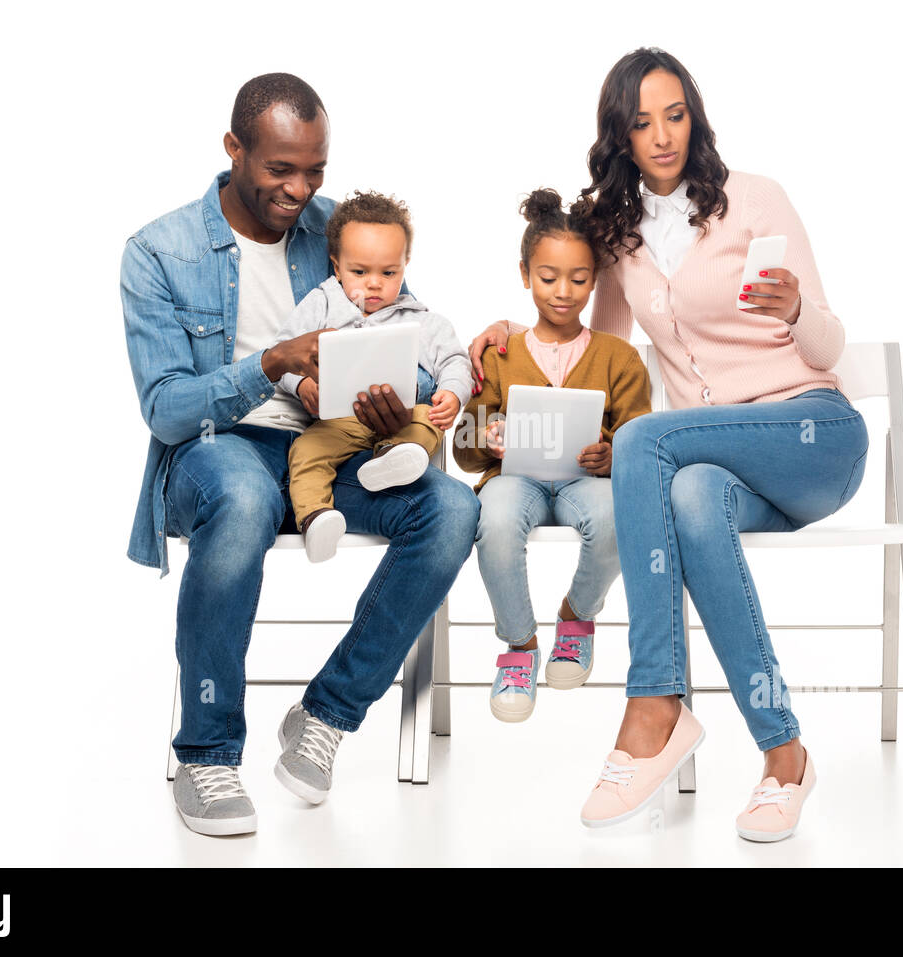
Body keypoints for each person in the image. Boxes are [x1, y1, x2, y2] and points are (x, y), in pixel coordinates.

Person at [467, 49, 869, 841]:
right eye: (642, 121)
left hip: (812, 436)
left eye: (675, 114)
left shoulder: (756, 200)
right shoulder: (614, 237)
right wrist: (516, 334)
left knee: (650, 440)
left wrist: (792, 309)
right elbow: (592, 359)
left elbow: (828, 345)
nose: (662, 136)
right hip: (717, 468)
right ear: (617, 133)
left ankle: (655, 700)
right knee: (686, 494)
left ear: (696, 116)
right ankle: (784, 755)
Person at [121, 73, 478, 837]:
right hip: (219, 453)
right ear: (233, 149)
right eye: (280, 168)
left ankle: (324, 714)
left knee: (453, 508)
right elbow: (166, 409)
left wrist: (394, 388)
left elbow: (408, 329)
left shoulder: (338, 228)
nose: (300, 188)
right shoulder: (158, 250)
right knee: (245, 501)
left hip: (337, 446)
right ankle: (208, 751)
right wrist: (270, 362)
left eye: (315, 169)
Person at [453, 189, 651, 722]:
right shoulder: (498, 354)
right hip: (514, 478)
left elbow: (641, 439)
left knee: (615, 519)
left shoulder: (619, 357)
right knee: (492, 520)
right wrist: (486, 437)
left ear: (595, 280)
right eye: (548, 278)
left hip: (586, 482)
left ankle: (577, 615)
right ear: (525, 275)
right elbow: (465, 449)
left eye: (579, 280)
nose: (563, 292)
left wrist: (613, 455)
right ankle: (519, 648)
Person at [277, 190, 472, 563]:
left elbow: (455, 361)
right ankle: (316, 518)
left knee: (427, 418)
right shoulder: (322, 303)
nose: (374, 284)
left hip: (399, 426)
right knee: (305, 451)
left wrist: (452, 393)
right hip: (339, 422)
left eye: (389, 272)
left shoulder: (421, 319)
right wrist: (301, 384)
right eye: (359, 272)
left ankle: (394, 460)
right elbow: (282, 352)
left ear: (405, 265)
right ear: (336, 266)